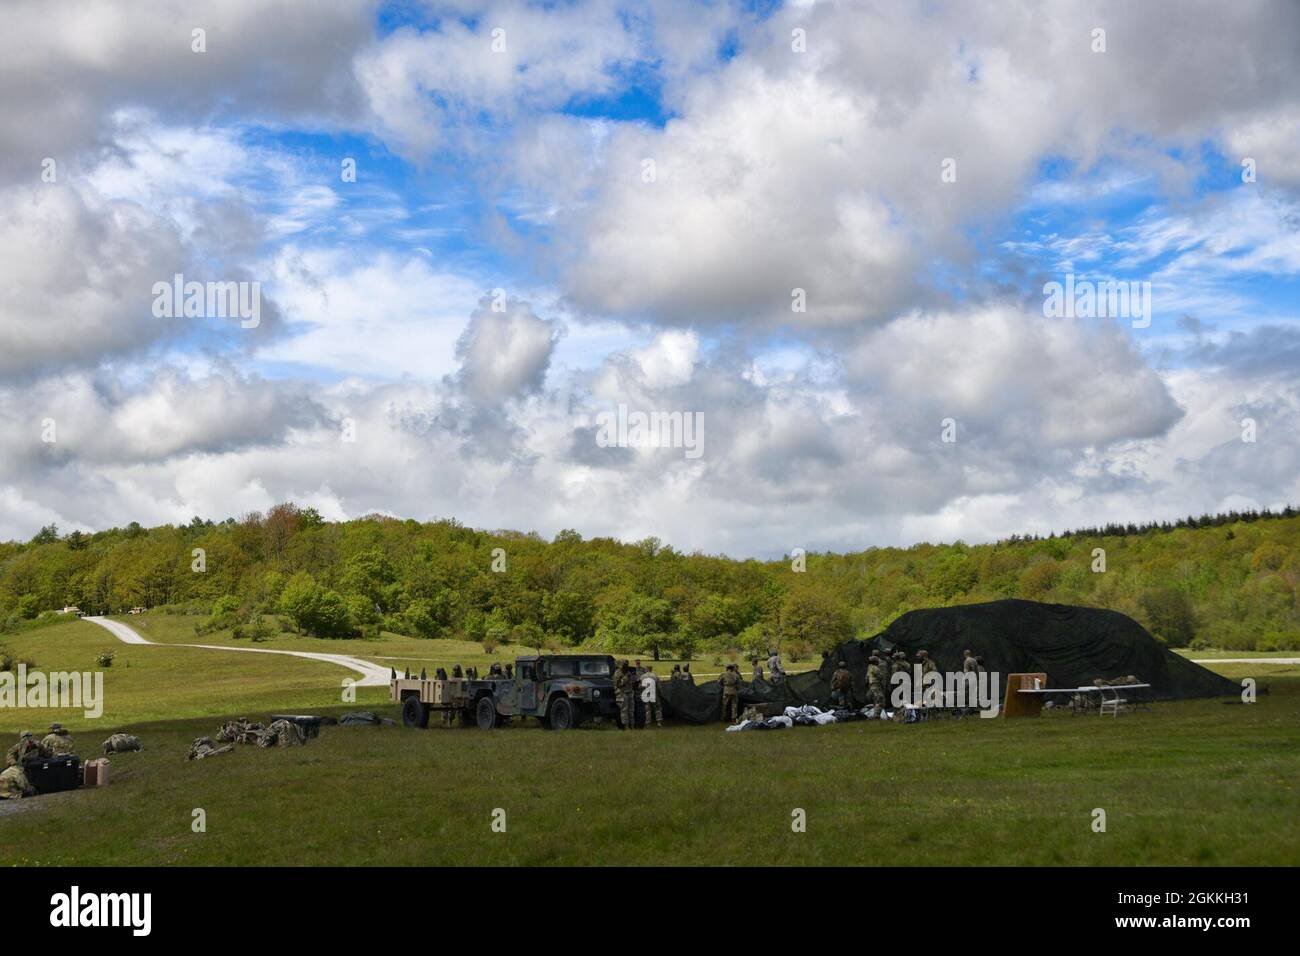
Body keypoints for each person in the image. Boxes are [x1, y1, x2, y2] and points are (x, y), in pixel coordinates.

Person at [613, 660, 635, 729]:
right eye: (624, 665)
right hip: (622, 693)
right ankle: (626, 726)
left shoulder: (628, 672)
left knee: (631, 710)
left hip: (629, 693)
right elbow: (618, 684)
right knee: (624, 710)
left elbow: (631, 682)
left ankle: (632, 726)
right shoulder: (617, 673)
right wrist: (625, 678)